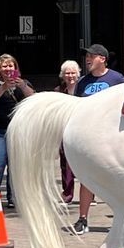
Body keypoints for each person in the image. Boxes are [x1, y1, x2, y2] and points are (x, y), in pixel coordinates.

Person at [71, 44, 124, 234]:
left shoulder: (117, 79)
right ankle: (82, 219)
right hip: (89, 138)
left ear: (102, 59)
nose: (87, 59)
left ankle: (121, 218)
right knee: (86, 178)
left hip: (111, 138)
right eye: (86, 56)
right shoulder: (82, 82)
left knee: (116, 178)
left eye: (91, 56)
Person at [0, 54, 35, 209]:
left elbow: (33, 98)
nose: (8, 69)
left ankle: (13, 198)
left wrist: (22, 85)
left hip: (18, 130)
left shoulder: (23, 83)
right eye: (4, 66)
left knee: (15, 165)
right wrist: (4, 86)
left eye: (11, 66)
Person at [56, 60, 81, 203]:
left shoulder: (83, 88)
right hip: (64, 131)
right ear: (62, 75)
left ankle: (90, 194)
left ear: (78, 74)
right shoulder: (58, 91)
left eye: (73, 73)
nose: (70, 76)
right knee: (66, 164)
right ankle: (67, 193)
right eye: (67, 73)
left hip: (82, 130)